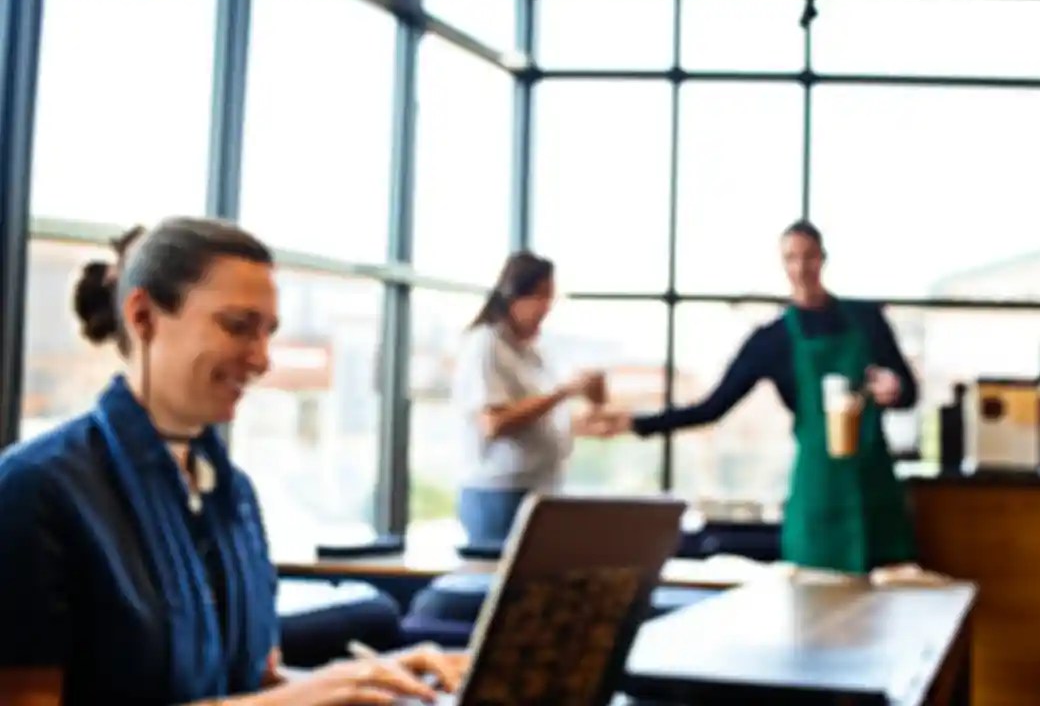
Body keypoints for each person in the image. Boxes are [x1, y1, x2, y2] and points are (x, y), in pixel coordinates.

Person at [0, 218, 464, 705]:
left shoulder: (233, 493)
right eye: (238, 326)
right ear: (143, 317)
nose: (262, 360)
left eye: (268, 333)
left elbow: (251, 686)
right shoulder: (35, 490)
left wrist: (372, 680)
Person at [604, 221, 924, 576]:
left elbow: (909, 393)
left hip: (875, 486)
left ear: (823, 259)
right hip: (818, 494)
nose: (802, 268)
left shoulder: (867, 320)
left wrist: (895, 390)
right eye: (791, 258)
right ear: (782, 265)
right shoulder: (770, 341)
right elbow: (713, 407)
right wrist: (635, 423)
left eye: (809, 256)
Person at [451, 251, 611, 549]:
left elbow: (540, 418)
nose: (546, 307)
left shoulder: (534, 351)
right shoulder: (486, 345)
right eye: (539, 296)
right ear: (514, 295)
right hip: (500, 493)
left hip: (541, 488)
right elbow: (494, 423)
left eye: (550, 297)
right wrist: (563, 392)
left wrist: (588, 402)